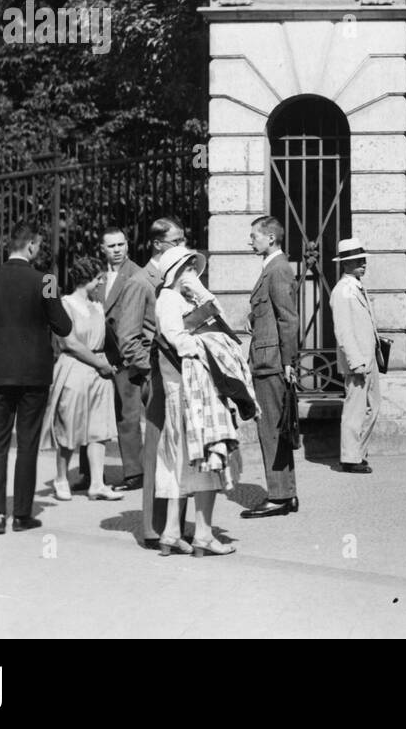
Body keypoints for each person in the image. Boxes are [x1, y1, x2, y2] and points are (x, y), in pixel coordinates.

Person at [0, 221, 72, 534]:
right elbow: (64, 327)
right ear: (30, 246)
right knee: (27, 443)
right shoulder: (47, 280)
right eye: (38, 246)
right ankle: (23, 514)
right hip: (33, 374)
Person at [153, 246, 248, 556]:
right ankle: (203, 534)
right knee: (203, 453)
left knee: (183, 457)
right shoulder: (168, 299)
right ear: (177, 271)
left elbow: (221, 318)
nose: (195, 272)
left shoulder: (189, 296)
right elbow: (177, 340)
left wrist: (201, 292)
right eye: (189, 268)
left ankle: (171, 532)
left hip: (195, 385)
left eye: (196, 267)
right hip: (187, 387)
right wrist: (210, 346)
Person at [42, 256, 122, 502]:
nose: (100, 283)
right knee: (70, 424)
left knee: (100, 428)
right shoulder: (65, 304)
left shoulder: (97, 306)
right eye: (98, 278)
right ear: (87, 278)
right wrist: (101, 364)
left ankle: (97, 483)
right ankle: (61, 477)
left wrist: (107, 363)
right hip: (75, 367)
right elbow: (70, 342)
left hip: (99, 371)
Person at [241, 216, 301, 519]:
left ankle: (279, 496)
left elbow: (288, 320)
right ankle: (285, 493)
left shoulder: (277, 270)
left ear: (271, 239)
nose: (251, 241)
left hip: (272, 362)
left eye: (255, 236)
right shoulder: (273, 268)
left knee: (272, 429)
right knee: (278, 427)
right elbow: (274, 314)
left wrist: (289, 362)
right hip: (271, 358)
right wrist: (254, 318)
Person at [80, 227, 149, 493]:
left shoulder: (138, 274)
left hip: (124, 355)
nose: (117, 250)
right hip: (97, 356)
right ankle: (89, 474)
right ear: (102, 249)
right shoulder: (95, 277)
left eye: (121, 244)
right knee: (91, 414)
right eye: (111, 246)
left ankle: (134, 472)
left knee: (127, 414)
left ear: (128, 246)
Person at [138, 219, 184, 550]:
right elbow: (126, 334)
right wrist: (142, 372)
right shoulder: (142, 279)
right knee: (156, 449)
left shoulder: (177, 272)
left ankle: (174, 525)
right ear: (157, 244)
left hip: (176, 372)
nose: (182, 245)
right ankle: (154, 528)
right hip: (156, 374)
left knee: (177, 448)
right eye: (176, 240)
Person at [330, 237, 381, 473]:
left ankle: (357, 452)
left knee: (372, 407)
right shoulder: (343, 291)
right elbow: (343, 331)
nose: (362, 264)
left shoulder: (356, 287)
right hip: (358, 360)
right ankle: (350, 457)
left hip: (368, 359)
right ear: (345, 264)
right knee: (355, 410)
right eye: (356, 260)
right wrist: (355, 361)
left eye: (362, 259)